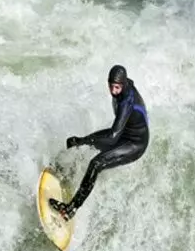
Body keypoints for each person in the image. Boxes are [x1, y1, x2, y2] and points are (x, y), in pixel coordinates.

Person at [50, 64, 149, 221]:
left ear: (123, 85)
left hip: (134, 144)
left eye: (117, 87)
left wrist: (83, 139)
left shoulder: (126, 102)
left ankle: (70, 209)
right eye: (111, 86)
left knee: (96, 163)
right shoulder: (122, 87)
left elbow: (112, 136)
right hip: (122, 135)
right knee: (81, 145)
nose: (113, 91)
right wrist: (83, 141)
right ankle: (66, 175)